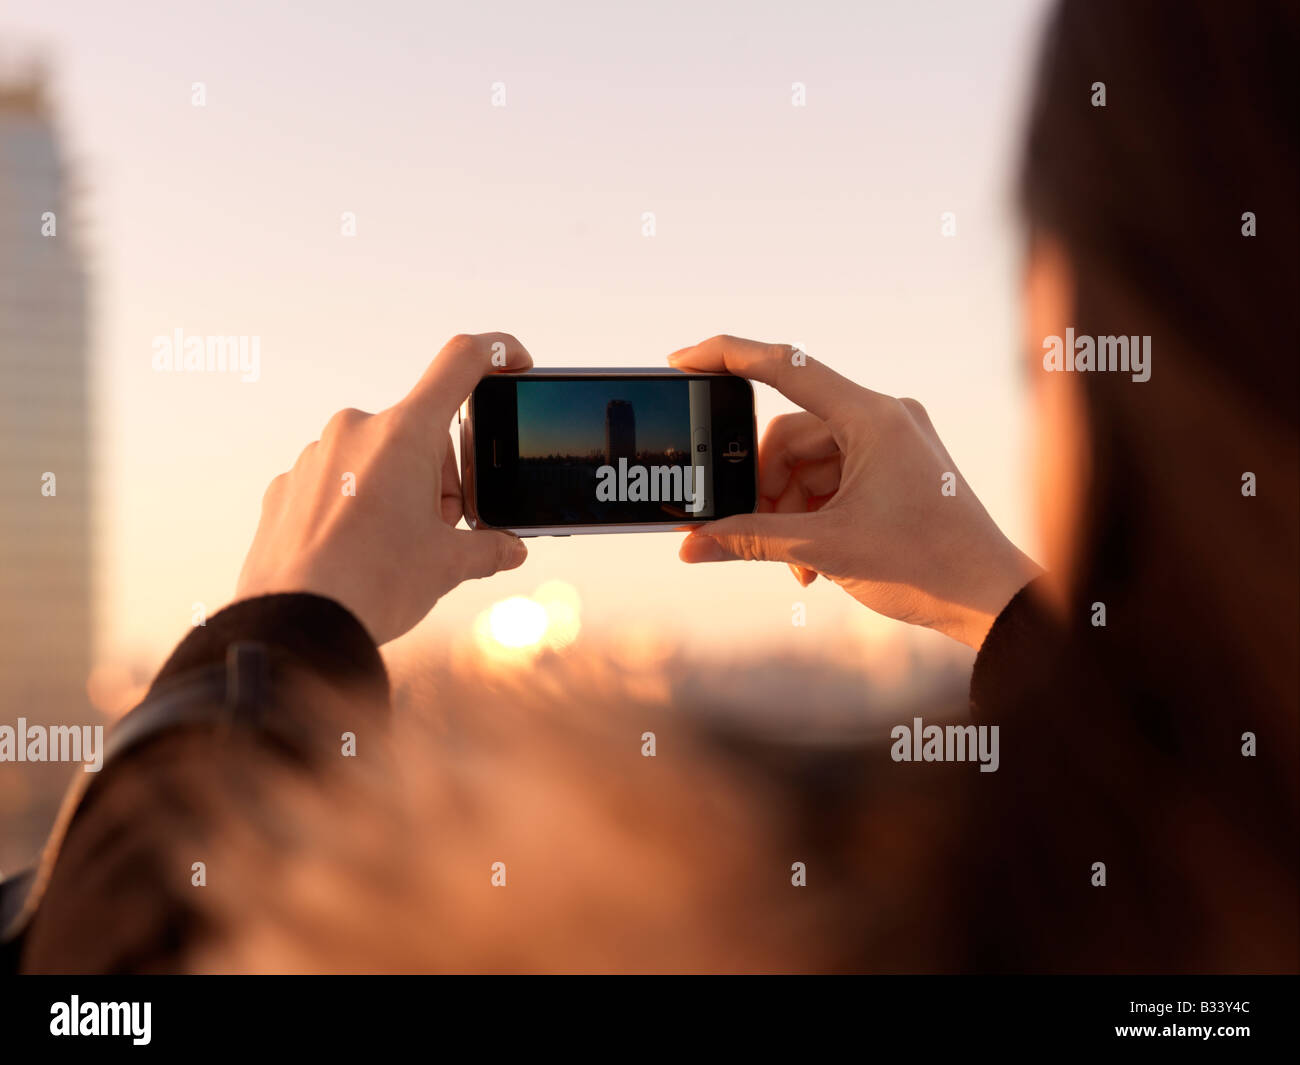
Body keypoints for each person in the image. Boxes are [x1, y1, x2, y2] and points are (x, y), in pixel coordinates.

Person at [4, 0, 1296, 972]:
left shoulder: (779, 912)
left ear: (1068, 321)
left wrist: (271, 634)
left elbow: (119, 977)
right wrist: (989, 592)